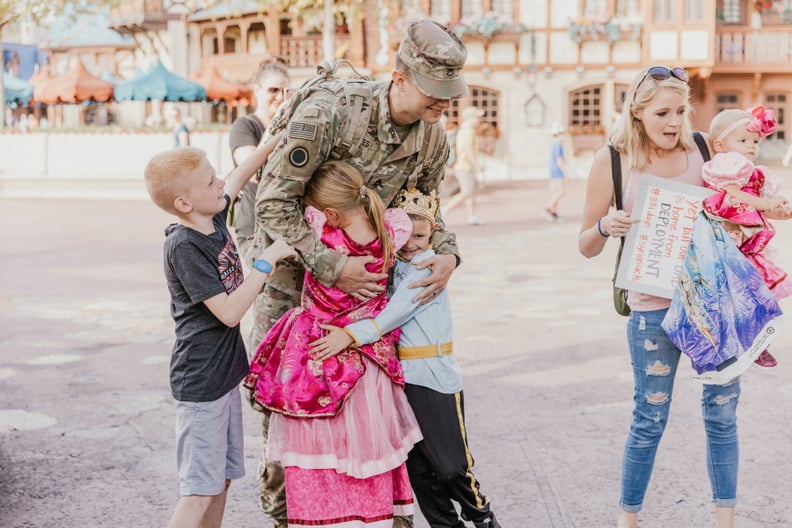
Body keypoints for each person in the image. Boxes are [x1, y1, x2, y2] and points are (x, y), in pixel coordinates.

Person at [248, 19, 470, 526]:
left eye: (449, 91)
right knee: (293, 408)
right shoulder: (332, 112)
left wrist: (449, 254)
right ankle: (288, 517)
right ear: (400, 78)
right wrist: (333, 265)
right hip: (296, 288)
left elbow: (428, 210)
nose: (444, 102)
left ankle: (384, 517)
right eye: (433, 90)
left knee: (380, 415)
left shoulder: (432, 140)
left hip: (368, 296)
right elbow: (274, 204)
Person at [577, 65, 790, 528]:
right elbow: (586, 245)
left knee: (722, 415)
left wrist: (759, 213)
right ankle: (628, 521)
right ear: (637, 112)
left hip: (714, 308)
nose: (674, 123)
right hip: (652, 309)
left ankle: (725, 522)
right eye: (662, 113)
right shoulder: (611, 160)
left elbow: (738, 201)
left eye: (680, 111)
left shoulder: (703, 149)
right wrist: (605, 226)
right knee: (649, 417)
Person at [244, 161, 423, 527]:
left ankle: (322, 515)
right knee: (365, 446)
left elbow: (285, 225)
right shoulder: (391, 229)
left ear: (329, 213)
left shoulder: (321, 232)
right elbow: (399, 223)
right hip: (369, 359)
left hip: (318, 354)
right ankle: (370, 516)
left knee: (319, 445)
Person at [310, 187, 502, 528]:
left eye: (421, 236)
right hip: (399, 378)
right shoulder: (390, 265)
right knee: (420, 469)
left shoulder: (427, 268)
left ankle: (483, 517)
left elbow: (392, 315)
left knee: (451, 465)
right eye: (406, 236)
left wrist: (348, 336)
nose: (411, 244)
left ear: (432, 233)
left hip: (432, 376)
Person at [143, 140, 295, 528]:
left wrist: (274, 140)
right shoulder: (184, 245)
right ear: (183, 203)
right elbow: (228, 313)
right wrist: (266, 260)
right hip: (201, 384)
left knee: (220, 482)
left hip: (224, 377)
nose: (221, 184)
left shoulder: (211, 216)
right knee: (198, 492)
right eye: (210, 182)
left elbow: (240, 176)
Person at [702, 106, 792, 368]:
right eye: (742, 140)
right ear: (720, 145)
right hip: (728, 240)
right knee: (735, 296)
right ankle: (740, 341)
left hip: (746, 242)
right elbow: (735, 195)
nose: (751, 146)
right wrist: (766, 204)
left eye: (754, 141)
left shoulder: (752, 171)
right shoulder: (726, 165)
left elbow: (757, 207)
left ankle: (756, 341)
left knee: (756, 294)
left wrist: (777, 211)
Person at [228, 60, 292, 262]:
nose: (280, 97)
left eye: (286, 91)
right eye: (273, 90)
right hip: (255, 230)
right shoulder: (244, 126)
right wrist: (278, 119)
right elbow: (252, 172)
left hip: (287, 228)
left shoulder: (293, 127)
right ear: (257, 90)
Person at [442, 106, 484, 225]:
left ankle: (472, 216)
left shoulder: (467, 130)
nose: (480, 120)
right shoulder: (467, 131)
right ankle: (445, 209)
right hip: (464, 167)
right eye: (477, 117)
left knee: (471, 192)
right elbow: (467, 150)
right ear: (471, 118)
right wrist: (477, 165)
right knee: (467, 191)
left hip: (466, 167)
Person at [544, 123, 566, 222]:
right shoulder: (558, 145)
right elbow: (559, 159)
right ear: (559, 134)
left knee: (555, 192)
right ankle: (548, 208)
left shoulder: (553, 144)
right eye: (562, 133)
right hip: (557, 171)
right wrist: (564, 171)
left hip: (552, 171)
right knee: (561, 191)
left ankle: (554, 213)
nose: (564, 136)